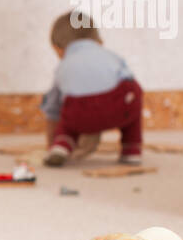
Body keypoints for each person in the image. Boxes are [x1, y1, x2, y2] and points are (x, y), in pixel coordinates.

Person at [41, 10, 143, 167]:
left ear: (58, 49)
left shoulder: (63, 65)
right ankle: (132, 151)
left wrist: (50, 142)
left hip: (80, 113)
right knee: (134, 91)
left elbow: (52, 109)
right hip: (121, 107)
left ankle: (61, 145)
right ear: (99, 41)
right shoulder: (111, 56)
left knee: (66, 113)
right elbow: (128, 78)